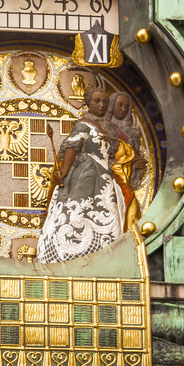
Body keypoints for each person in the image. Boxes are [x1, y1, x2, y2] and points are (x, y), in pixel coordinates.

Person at [37, 89, 127, 264]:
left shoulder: (107, 127)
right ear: (88, 103)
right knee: (78, 211)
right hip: (88, 173)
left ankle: (102, 254)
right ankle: (71, 250)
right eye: (97, 101)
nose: (101, 105)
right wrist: (64, 170)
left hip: (106, 176)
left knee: (108, 211)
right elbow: (73, 147)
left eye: (104, 102)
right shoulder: (84, 124)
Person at [106, 91, 148, 232]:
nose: (123, 109)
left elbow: (135, 159)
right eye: (119, 105)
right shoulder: (103, 129)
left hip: (125, 181)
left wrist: (138, 165)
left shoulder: (132, 134)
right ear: (111, 106)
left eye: (126, 106)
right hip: (107, 181)